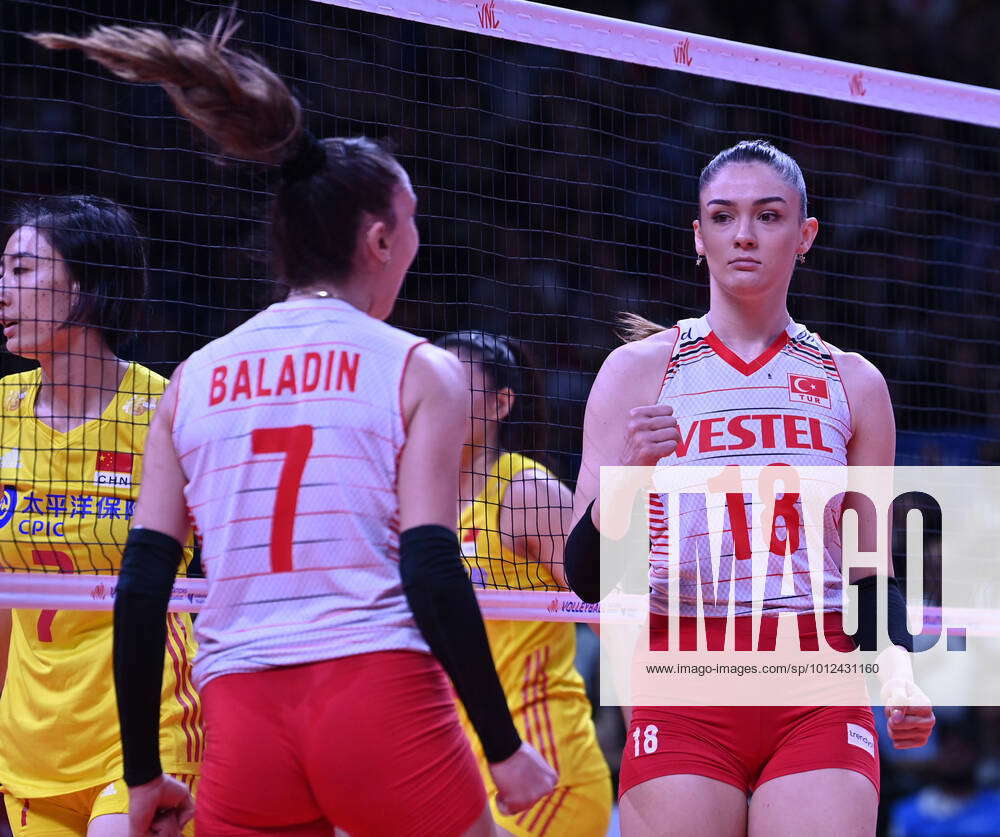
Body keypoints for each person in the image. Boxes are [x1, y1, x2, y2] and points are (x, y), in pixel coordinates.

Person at [30, 19, 557, 837]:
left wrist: (140, 773)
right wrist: (502, 747)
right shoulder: (420, 367)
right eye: (411, 223)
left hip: (242, 713)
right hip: (377, 694)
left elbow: (140, 588)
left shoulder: (195, 377)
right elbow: (429, 567)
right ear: (381, 239)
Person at [563, 140, 936, 836]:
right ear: (697, 237)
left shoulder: (852, 382)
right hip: (682, 680)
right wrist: (628, 476)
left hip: (817, 684)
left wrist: (899, 676)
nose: (744, 234)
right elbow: (586, 575)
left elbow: (869, 566)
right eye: (723, 216)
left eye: (768, 216)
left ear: (805, 235)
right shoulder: (638, 371)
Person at [0, 195, 201, 836]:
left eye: (24, 271)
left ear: (85, 285)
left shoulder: (168, 411)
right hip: (31, 744)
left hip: (150, 725)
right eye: (2, 272)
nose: (3, 290)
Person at [437, 331, 612, 836]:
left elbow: (617, 617)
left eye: (453, 384)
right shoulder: (419, 501)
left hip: (545, 765)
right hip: (453, 765)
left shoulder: (527, 493)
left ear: (500, 403)